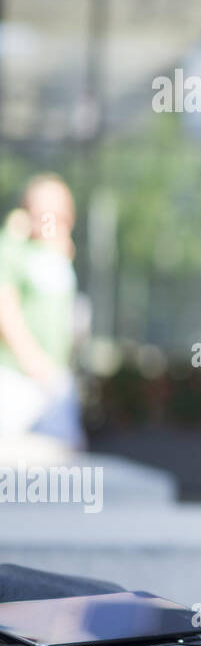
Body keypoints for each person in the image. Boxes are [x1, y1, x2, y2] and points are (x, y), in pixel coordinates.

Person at [0, 175, 84, 463]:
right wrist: (33, 361)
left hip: (55, 379)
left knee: (63, 465)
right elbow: (5, 308)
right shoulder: (12, 249)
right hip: (17, 377)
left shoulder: (58, 255)